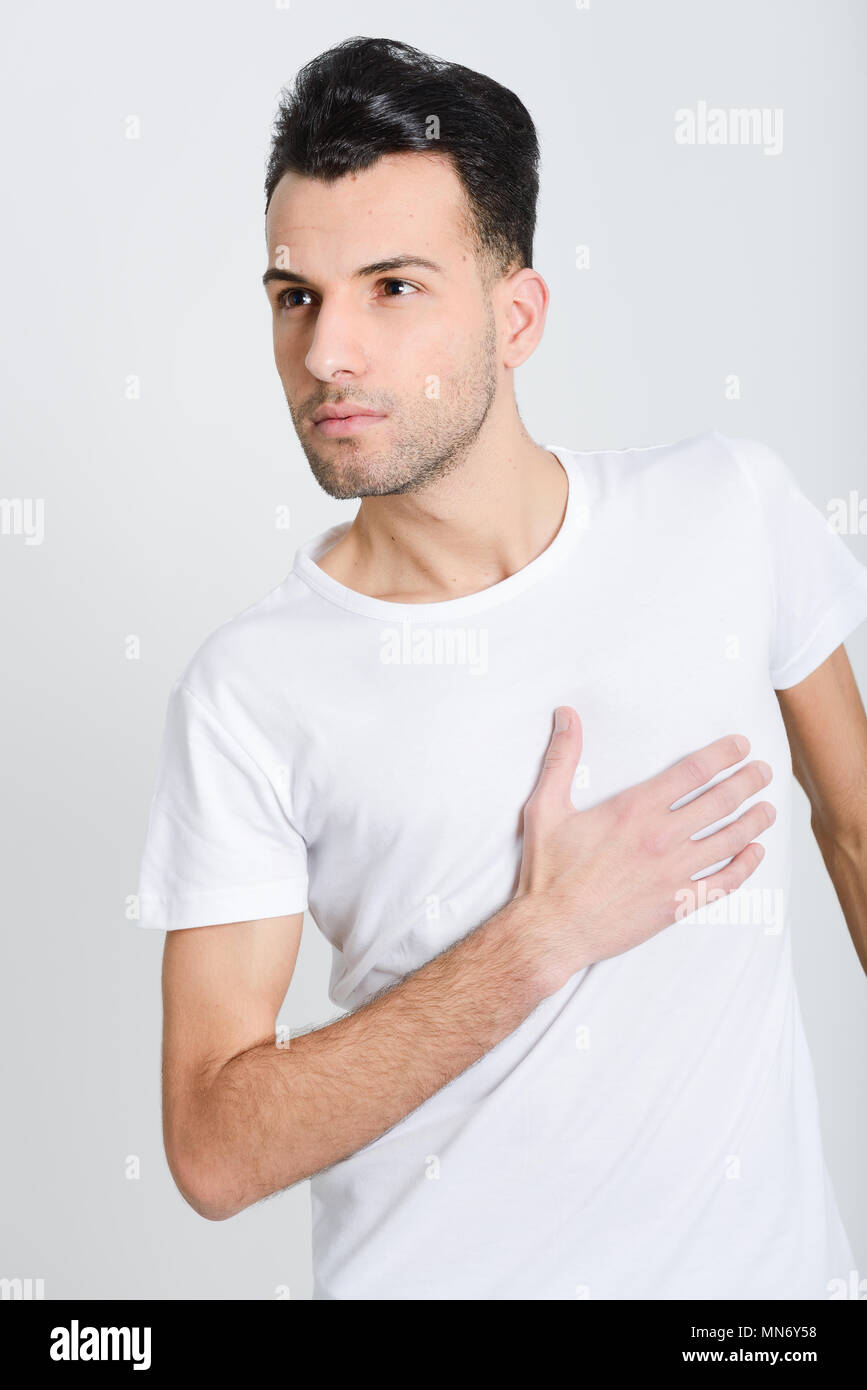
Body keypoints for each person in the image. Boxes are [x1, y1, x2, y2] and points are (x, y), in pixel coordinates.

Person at [136, 37, 867, 1300]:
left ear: (515, 315)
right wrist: (541, 939)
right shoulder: (247, 691)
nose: (327, 356)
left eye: (394, 287)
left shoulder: (728, 509)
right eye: (295, 296)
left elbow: (855, 829)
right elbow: (210, 1147)